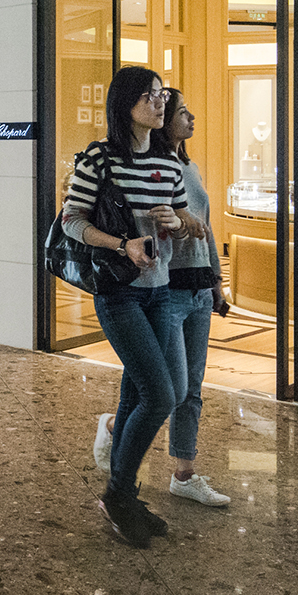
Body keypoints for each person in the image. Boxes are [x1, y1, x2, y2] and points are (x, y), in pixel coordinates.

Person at [63, 65, 187, 549]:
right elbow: (71, 220)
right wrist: (122, 244)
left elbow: (181, 220)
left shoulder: (169, 161)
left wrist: (174, 222)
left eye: (162, 95)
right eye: (150, 95)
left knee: (142, 394)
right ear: (126, 103)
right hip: (118, 292)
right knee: (161, 395)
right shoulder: (100, 158)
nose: (160, 103)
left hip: (161, 290)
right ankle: (117, 495)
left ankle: (125, 495)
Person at [91, 88, 233, 510]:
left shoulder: (188, 166)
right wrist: (167, 226)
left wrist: (216, 281)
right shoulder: (141, 167)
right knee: (161, 388)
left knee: (190, 388)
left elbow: (205, 226)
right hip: (162, 287)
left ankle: (183, 474)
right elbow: (87, 219)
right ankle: (117, 443)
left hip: (197, 286)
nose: (191, 119)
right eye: (182, 112)